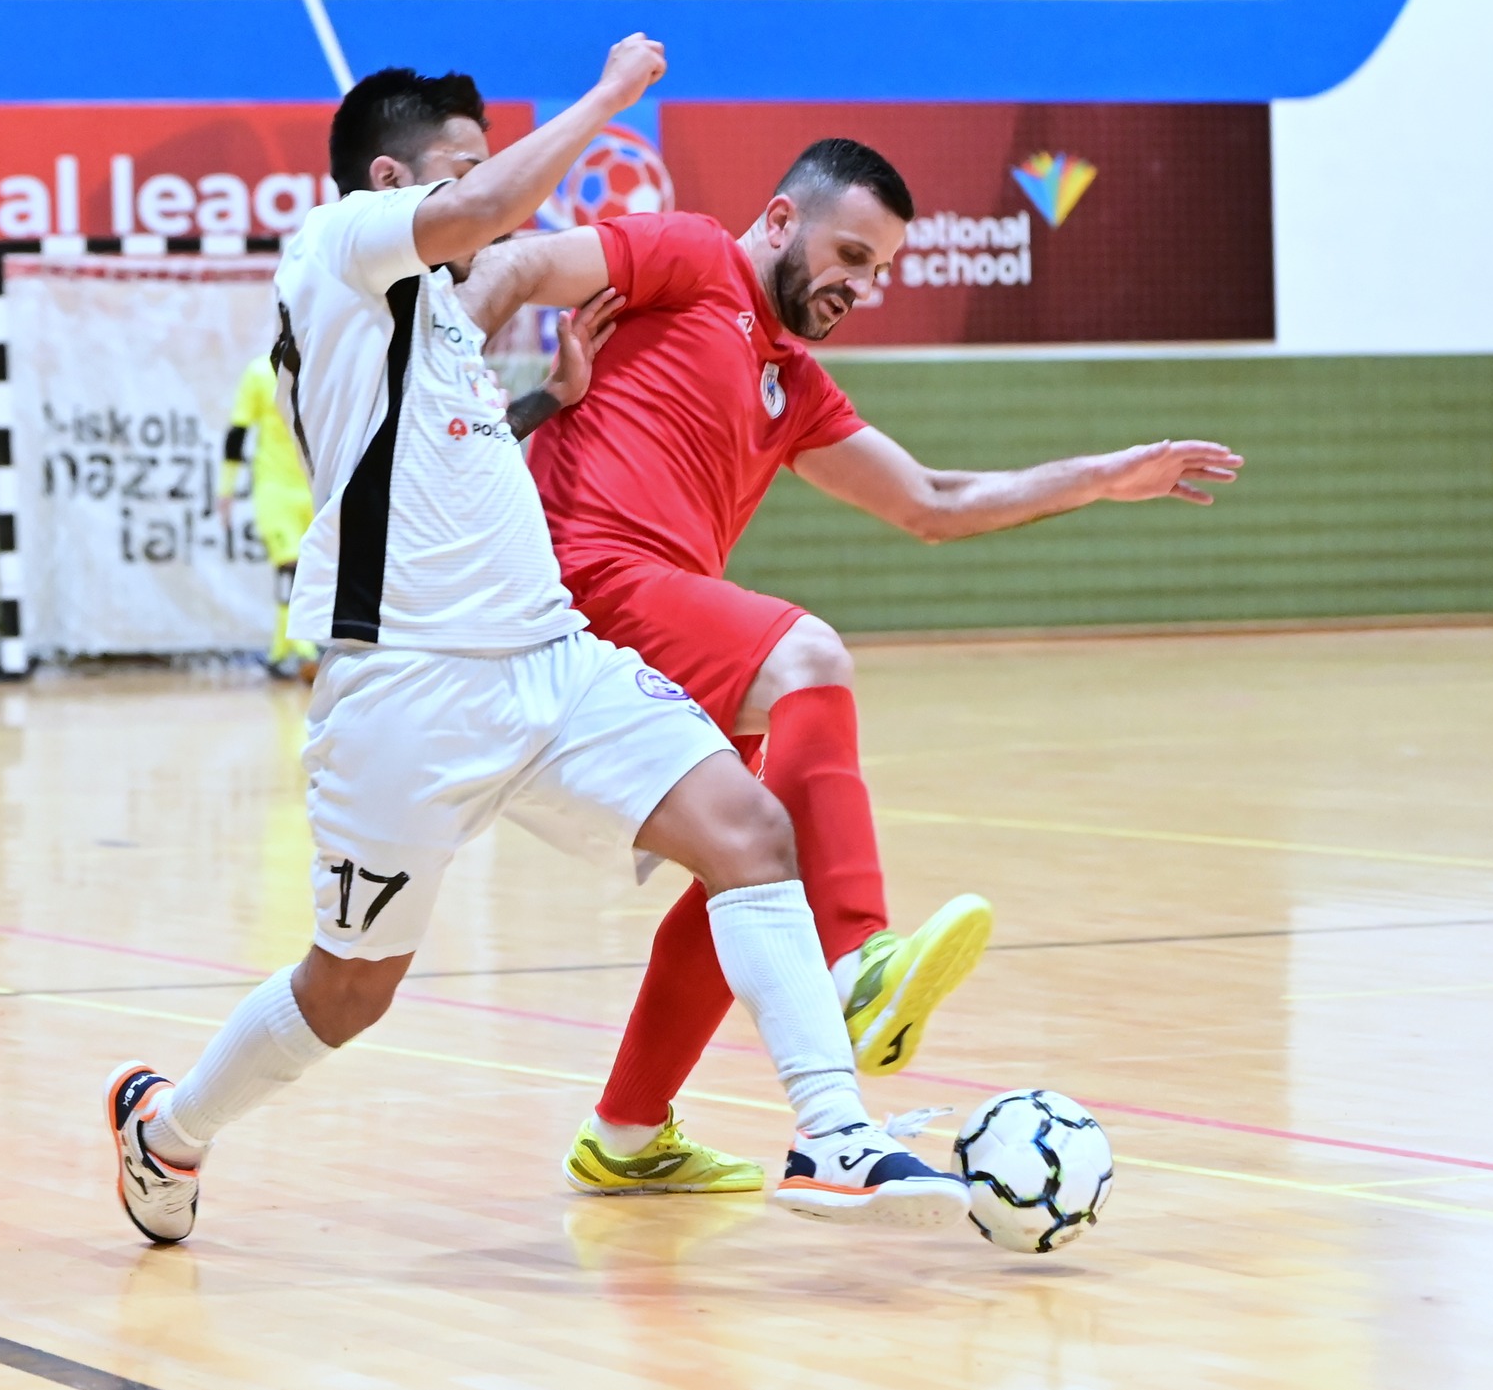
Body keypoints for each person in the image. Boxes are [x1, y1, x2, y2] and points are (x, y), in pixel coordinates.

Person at [104, 47, 970, 1246]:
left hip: (546, 660)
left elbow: (430, 471)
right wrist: (612, 95)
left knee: (750, 829)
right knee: (349, 989)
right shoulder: (340, 241)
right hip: (403, 689)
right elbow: (488, 212)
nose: (491, 183)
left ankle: (829, 1130)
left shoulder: (441, 329)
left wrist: (545, 405)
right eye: (464, 161)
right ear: (394, 179)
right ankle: (171, 1129)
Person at [458, 138, 1245, 1194]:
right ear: (780, 221)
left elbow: (932, 502)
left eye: (878, 271)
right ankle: (856, 957)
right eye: (849, 254)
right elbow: (512, 267)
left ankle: (628, 1131)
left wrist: (1103, 477)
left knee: (744, 859)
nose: (860, 287)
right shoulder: (688, 258)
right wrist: (447, 359)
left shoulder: (794, 385)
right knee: (809, 653)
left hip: (652, 618)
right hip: (585, 577)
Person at [221, 356, 322, 680]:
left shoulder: (320, 371)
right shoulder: (258, 373)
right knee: (289, 567)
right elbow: (237, 434)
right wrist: (226, 490)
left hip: (315, 488)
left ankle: (281, 653)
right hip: (274, 489)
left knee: (310, 572)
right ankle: (307, 652)